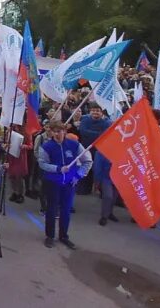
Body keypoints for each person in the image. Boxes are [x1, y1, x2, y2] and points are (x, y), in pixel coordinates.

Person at [38, 121, 93, 249]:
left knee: (66, 211)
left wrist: (78, 175)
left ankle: (64, 236)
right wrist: (58, 169)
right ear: (51, 132)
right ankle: (50, 236)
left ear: (65, 132)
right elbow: (42, 163)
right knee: (51, 210)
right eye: (54, 131)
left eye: (60, 131)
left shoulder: (75, 145)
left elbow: (88, 161)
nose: (57, 134)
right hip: (53, 183)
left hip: (69, 183)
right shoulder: (46, 147)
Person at [76, 103, 110, 194]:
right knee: (86, 168)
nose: (95, 112)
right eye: (93, 110)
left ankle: (102, 191)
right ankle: (84, 189)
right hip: (86, 149)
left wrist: (91, 134)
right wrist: (97, 134)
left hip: (100, 150)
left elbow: (104, 135)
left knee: (100, 170)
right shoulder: (85, 120)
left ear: (101, 112)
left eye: (97, 111)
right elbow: (83, 132)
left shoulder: (107, 122)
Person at [93, 151, 120, 226]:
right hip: (105, 177)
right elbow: (97, 165)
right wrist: (97, 179)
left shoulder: (120, 148)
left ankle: (109, 213)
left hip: (117, 176)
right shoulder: (101, 151)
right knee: (108, 196)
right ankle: (104, 216)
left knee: (114, 196)